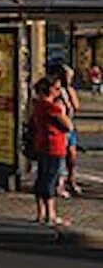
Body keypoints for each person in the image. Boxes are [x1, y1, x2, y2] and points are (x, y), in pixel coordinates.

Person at [29, 76, 73, 226]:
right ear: (49, 90)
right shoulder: (51, 108)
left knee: (42, 177)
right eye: (57, 88)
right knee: (51, 179)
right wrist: (63, 109)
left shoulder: (38, 105)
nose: (59, 91)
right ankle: (50, 214)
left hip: (42, 145)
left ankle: (41, 213)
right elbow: (68, 126)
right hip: (54, 147)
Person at [53, 64, 81, 197]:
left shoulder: (69, 90)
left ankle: (71, 179)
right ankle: (59, 183)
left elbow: (76, 106)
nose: (68, 79)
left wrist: (69, 92)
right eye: (67, 76)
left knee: (72, 155)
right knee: (60, 156)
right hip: (60, 126)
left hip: (69, 125)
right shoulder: (55, 89)